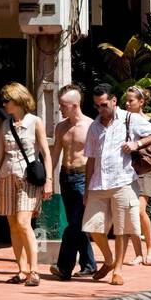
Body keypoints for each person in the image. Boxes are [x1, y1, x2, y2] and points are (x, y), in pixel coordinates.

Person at [82, 84, 151, 286]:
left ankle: (117, 270)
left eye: (103, 105)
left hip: (123, 182)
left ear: (113, 101)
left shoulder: (130, 119)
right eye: (96, 106)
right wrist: (86, 189)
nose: (100, 109)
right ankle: (108, 260)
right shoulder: (94, 126)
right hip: (98, 184)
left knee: (122, 229)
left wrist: (138, 144)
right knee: (93, 227)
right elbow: (91, 159)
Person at [0, 83, 54, 287]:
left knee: (23, 222)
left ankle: (35, 270)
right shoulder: (5, 124)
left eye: (7, 101)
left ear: (18, 100)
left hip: (28, 178)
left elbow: (46, 153)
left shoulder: (35, 121)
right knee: (12, 224)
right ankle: (22, 270)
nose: (4, 105)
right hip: (6, 176)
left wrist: (49, 181)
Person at [49, 83, 96, 281]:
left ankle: (64, 267)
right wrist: (48, 179)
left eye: (63, 105)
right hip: (65, 176)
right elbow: (54, 155)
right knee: (77, 223)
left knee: (74, 224)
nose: (60, 108)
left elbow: (96, 158)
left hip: (83, 176)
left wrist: (92, 185)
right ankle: (89, 264)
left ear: (75, 105)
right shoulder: (61, 127)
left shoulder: (91, 126)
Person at [123, 86, 151, 267]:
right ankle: (138, 254)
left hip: (144, 171)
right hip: (127, 172)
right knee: (129, 212)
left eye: (131, 100)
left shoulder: (150, 123)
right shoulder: (123, 121)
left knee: (139, 210)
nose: (127, 104)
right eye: (126, 101)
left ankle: (150, 247)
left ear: (141, 102)